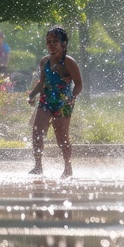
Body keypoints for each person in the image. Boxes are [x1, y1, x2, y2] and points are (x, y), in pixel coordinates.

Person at [27, 27, 83, 177]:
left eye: (55, 41)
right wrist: (31, 95)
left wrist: (72, 97)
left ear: (63, 44)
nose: (51, 44)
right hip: (45, 101)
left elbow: (79, 84)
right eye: (48, 41)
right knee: (37, 132)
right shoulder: (44, 61)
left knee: (61, 137)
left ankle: (68, 168)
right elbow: (42, 82)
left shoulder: (68, 62)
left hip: (63, 103)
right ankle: (38, 166)